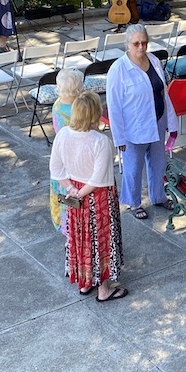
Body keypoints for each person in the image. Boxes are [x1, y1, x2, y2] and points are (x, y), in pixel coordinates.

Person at [49, 91, 126, 302]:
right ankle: (104, 289)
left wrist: (71, 189)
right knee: (100, 240)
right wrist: (81, 193)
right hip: (98, 198)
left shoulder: (63, 134)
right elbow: (98, 178)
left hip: (73, 196)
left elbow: (55, 168)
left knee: (80, 238)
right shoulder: (100, 141)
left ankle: (84, 283)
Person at [106, 23, 178, 220]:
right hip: (133, 128)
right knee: (133, 168)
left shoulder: (154, 60)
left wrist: (171, 122)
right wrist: (118, 137)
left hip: (158, 121)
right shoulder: (118, 69)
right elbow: (113, 106)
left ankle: (158, 196)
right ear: (127, 44)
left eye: (144, 43)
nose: (141, 47)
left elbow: (163, 92)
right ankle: (133, 202)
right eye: (136, 43)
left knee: (158, 163)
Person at [50, 68, 85, 234]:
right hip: (75, 159)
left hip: (60, 156)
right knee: (73, 195)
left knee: (63, 194)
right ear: (78, 88)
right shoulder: (77, 109)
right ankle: (74, 231)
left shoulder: (58, 103)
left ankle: (66, 229)